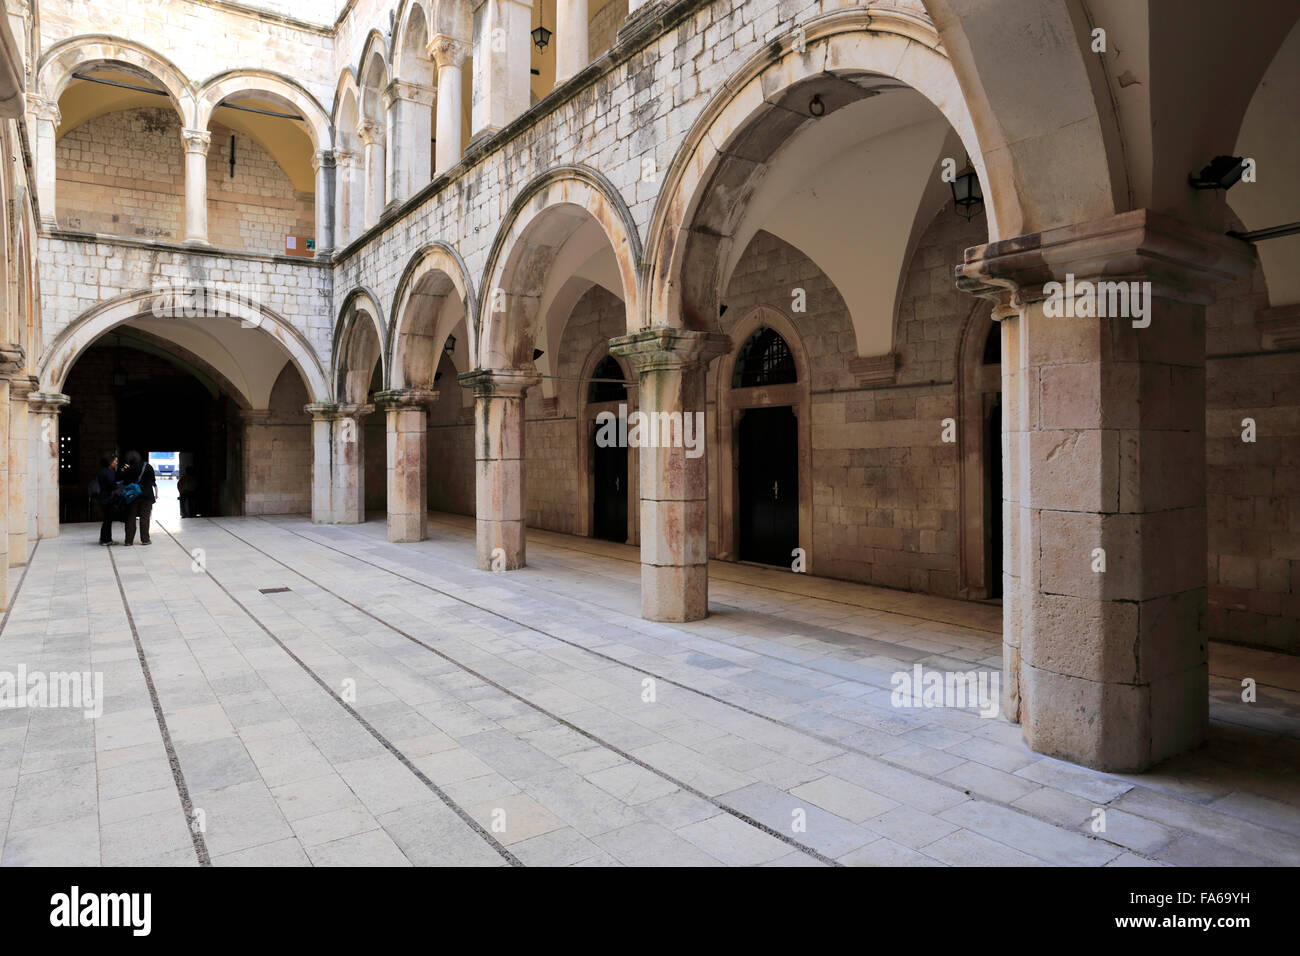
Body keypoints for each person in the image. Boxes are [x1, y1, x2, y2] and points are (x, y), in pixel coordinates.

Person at [122, 450, 156, 546]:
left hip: (133, 496)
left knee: (130, 518)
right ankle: (145, 539)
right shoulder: (148, 467)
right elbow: (153, 480)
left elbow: (124, 482)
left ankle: (128, 541)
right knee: (145, 518)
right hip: (147, 495)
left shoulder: (129, 469)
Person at [96, 452, 118, 545]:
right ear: (110, 462)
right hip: (108, 498)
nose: (116, 462)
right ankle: (106, 540)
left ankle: (105, 538)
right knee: (108, 520)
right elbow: (112, 485)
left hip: (103, 497)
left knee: (107, 520)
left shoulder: (101, 471)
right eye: (115, 461)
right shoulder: (109, 472)